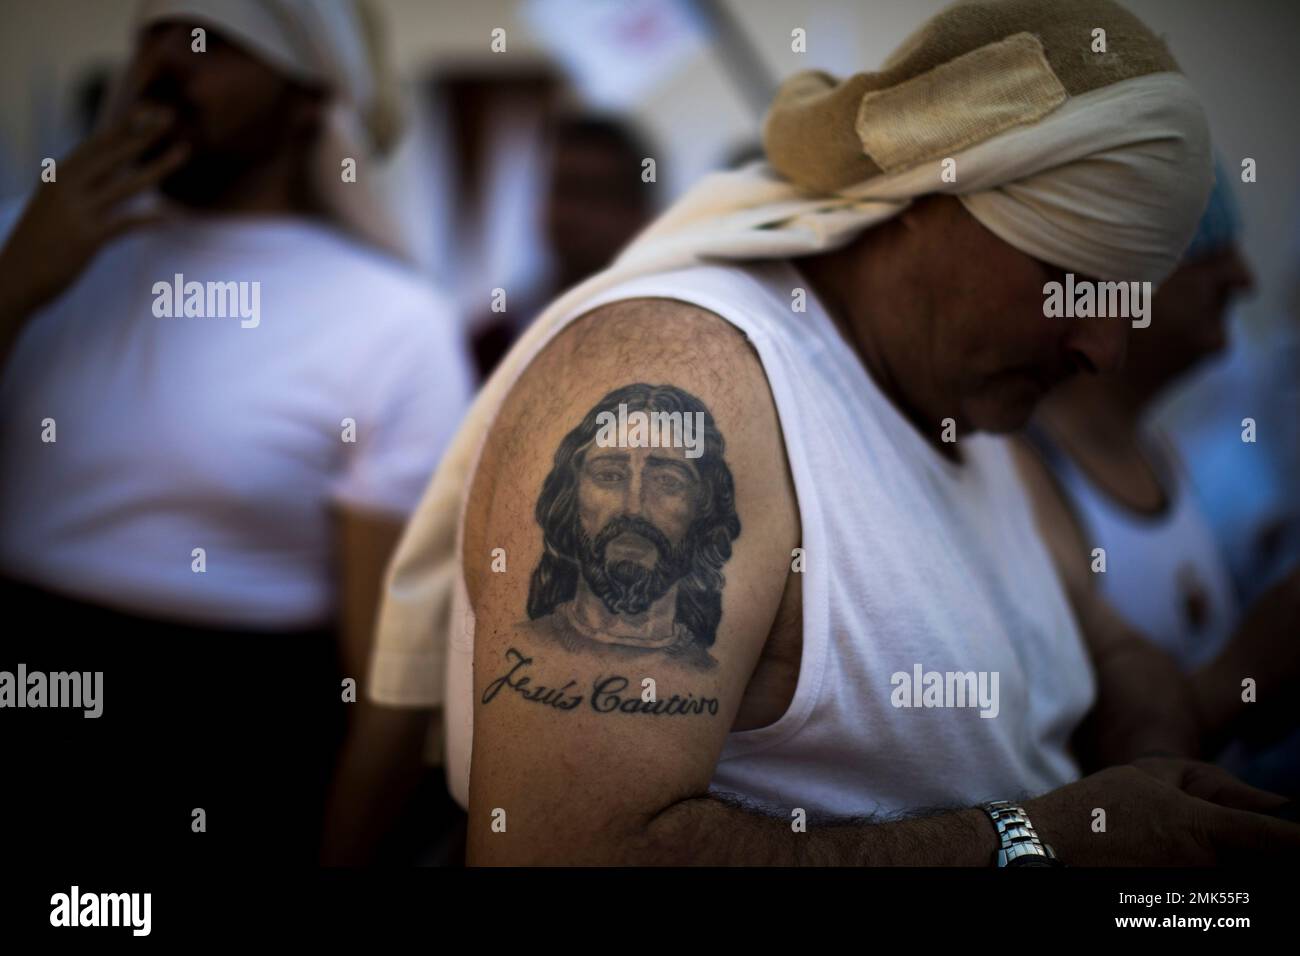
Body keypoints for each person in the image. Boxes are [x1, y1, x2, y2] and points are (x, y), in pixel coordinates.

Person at [370, 0, 1300, 865]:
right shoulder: (686, 388)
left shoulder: (977, 417)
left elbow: (1108, 646)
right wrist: (1035, 843)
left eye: (1131, 297)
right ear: (943, 195)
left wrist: (1153, 772)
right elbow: (558, 851)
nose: (1104, 346)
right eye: (1076, 278)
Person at [0, 0, 472, 864]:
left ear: (305, 100)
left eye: (211, 43)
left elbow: (390, 680)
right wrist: (14, 285)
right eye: (151, 32)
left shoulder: (391, 322)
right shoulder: (27, 243)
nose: (164, 64)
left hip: (232, 763)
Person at [1011, 170, 1300, 792]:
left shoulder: (1158, 451)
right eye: (1211, 253)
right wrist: (1246, 668)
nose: (1245, 278)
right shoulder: (1027, 478)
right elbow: (1065, 785)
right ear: (1122, 283)